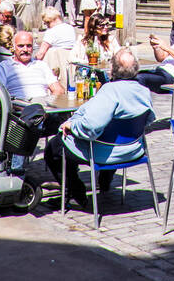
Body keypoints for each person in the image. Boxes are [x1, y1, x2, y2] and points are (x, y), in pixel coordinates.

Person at [44, 47, 155, 209]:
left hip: (104, 152)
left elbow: (90, 127)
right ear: (136, 69)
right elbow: (149, 119)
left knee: (54, 148)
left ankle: (77, 193)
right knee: (112, 132)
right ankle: (104, 182)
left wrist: (72, 125)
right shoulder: (144, 92)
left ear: (112, 70)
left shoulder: (110, 91)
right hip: (132, 150)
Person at [0, 31, 65, 103]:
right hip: (19, 109)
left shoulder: (41, 65)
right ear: (13, 47)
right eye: (21, 46)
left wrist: (48, 104)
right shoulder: (4, 67)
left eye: (29, 46)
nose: (25, 49)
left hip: (44, 108)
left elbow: (58, 90)